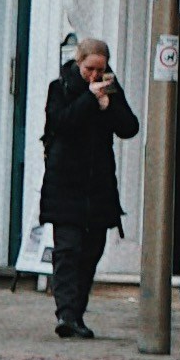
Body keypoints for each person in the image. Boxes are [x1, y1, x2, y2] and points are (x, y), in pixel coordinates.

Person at [38, 35, 136, 340]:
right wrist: (88, 99)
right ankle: (65, 314)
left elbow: (129, 127)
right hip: (65, 184)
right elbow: (61, 123)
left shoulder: (110, 89)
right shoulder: (61, 88)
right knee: (67, 251)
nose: (95, 75)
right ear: (79, 63)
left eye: (100, 69)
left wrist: (108, 104)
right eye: (89, 68)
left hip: (98, 188)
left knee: (90, 253)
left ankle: (76, 313)